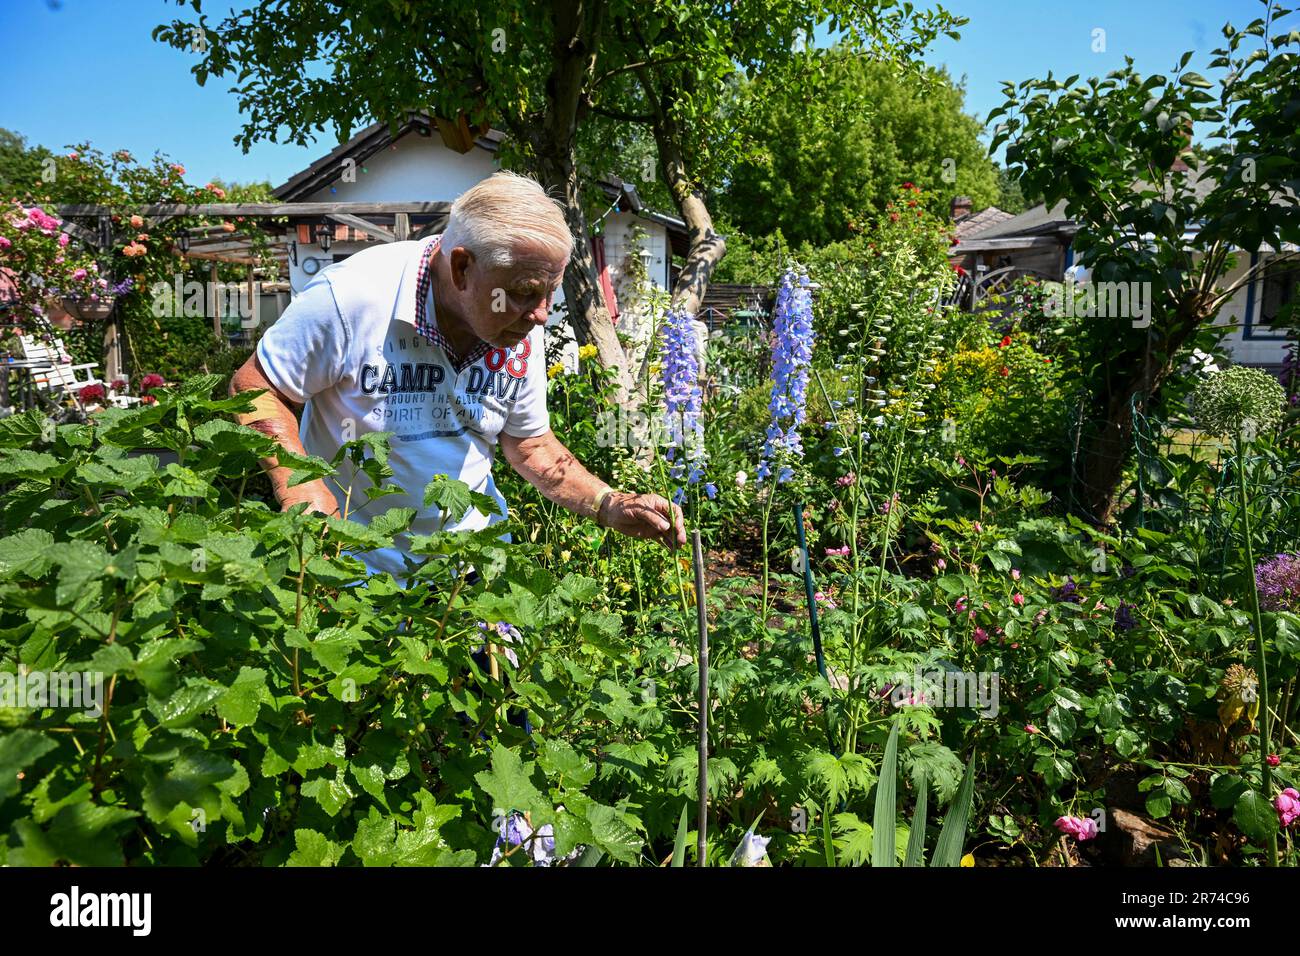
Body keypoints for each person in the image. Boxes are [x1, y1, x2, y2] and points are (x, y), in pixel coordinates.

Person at [229, 170, 685, 582]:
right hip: (357, 570)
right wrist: (303, 490)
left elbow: (530, 444)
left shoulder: (516, 323)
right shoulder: (352, 298)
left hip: (471, 568)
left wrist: (608, 503)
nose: (543, 315)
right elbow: (256, 388)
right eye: (527, 292)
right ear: (462, 267)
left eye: (550, 292)